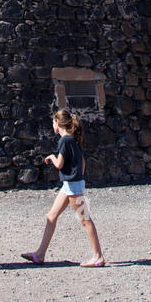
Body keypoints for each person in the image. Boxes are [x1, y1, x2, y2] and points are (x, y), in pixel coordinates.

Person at [21, 109, 105, 267]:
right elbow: (83, 162)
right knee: (51, 216)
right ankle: (39, 254)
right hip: (70, 185)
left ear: (58, 123)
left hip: (73, 187)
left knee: (85, 219)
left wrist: (51, 157)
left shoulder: (64, 141)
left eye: (53, 122)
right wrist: (78, 177)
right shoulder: (74, 140)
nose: (52, 125)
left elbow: (59, 164)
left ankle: (98, 256)